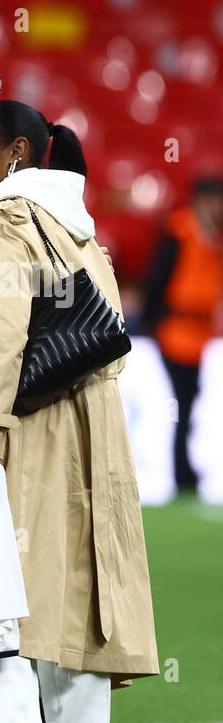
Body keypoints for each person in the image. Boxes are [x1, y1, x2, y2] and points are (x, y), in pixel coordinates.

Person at [0, 99, 159, 723]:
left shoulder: (4, 220)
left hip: (26, 429)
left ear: (17, 154)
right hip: (94, 427)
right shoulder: (79, 224)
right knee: (80, 586)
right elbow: (113, 335)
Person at [140, 175, 223, 496]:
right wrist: (152, 324)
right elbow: (157, 278)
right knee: (179, 404)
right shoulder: (179, 230)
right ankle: (182, 473)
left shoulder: (213, 236)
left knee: (188, 404)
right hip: (175, 331)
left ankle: (186, 471)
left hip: (201, 334)